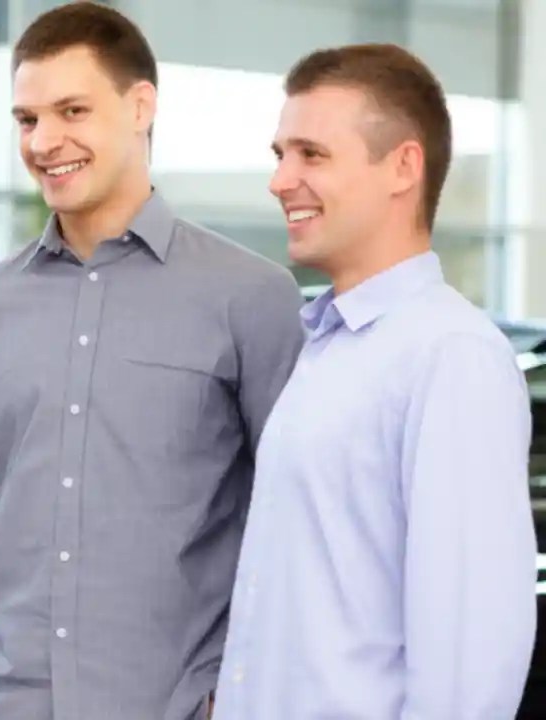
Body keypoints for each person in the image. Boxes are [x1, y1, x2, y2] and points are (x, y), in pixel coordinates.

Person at [0, 3, 307, 719]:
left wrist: (237, 693)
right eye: (27, 119)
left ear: (140, 107)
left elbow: (290, 521)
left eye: (72, 111)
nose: (44, 141)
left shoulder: (251, 297)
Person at [212, 43, 537, 719]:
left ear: (403, 168)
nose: (280, 180)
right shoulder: (323, 347)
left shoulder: (450, 356)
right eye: (280, 154)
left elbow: (470, 669)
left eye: (311, 154)